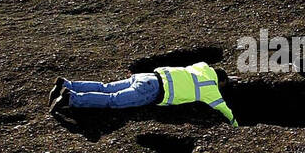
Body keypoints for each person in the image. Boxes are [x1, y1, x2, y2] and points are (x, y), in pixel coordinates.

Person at [50, 61, 238, 126]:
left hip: (146, 76)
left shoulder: (202, 67)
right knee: (112, 101)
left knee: (105, 87)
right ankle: (71, 98)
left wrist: (225, 76)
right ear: (220, 83)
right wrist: (235, 125)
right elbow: (224, 108)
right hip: (151, 90)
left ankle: (66, 84)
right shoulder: (211, 90)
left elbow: (212, 73)